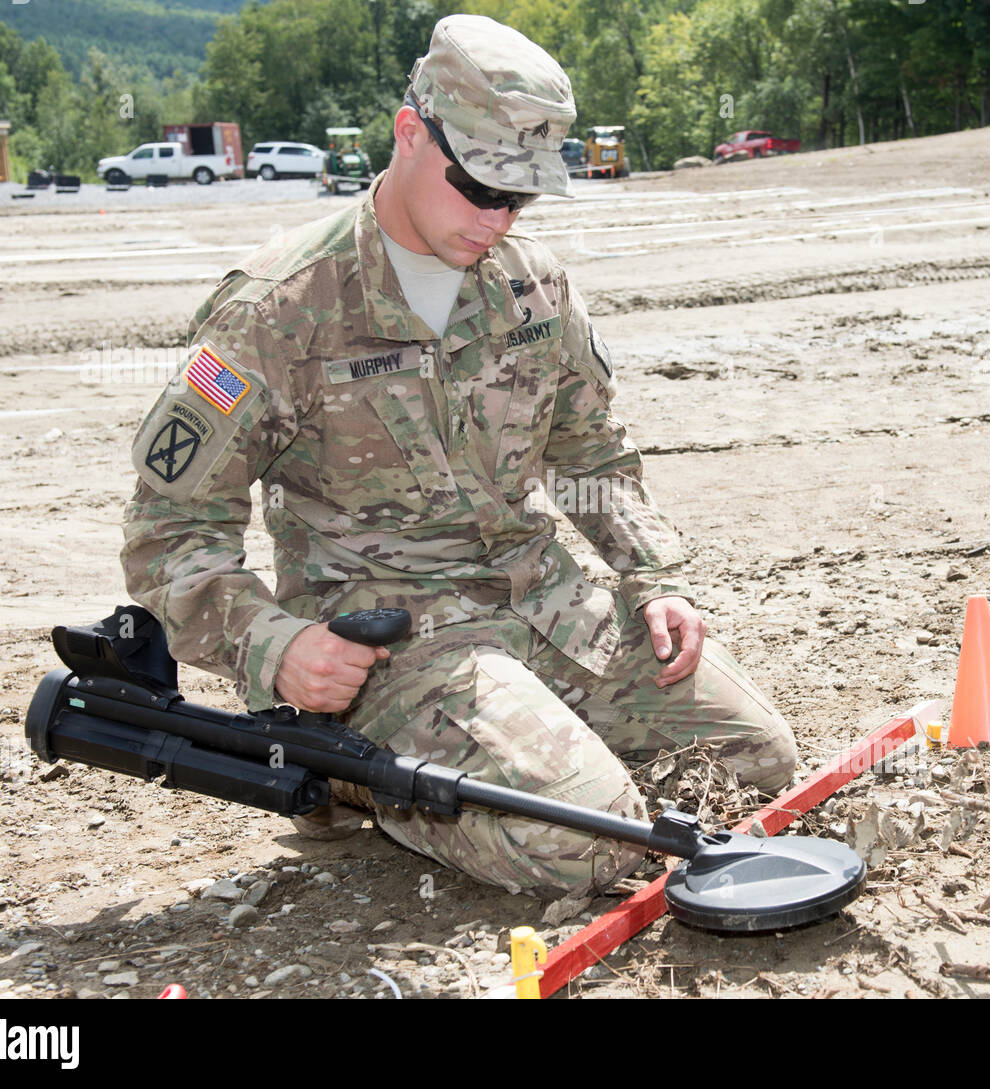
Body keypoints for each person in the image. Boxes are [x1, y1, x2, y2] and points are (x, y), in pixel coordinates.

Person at [121, 14, 798, 897]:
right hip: (392, 643)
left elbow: (591, 451)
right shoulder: (279, 308)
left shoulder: (534, 284)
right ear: (410, 132)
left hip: (545, 603)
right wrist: (276, 646)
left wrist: (653, 576)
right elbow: (169, 535)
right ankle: (354, 774)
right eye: (478, 184)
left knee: (759, 761)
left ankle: (521, 750)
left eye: (519, 197)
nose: (495, 217)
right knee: (591, 846)